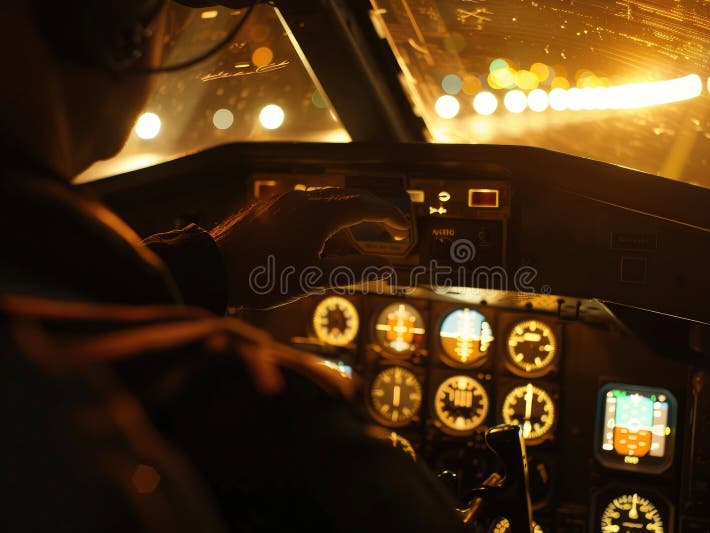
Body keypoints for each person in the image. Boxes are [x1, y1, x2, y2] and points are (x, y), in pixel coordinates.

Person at [0, 1, 473, 531]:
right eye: (168, 16)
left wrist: (212, 264)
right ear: (116, 26)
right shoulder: (258, 417)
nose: (169, 37)